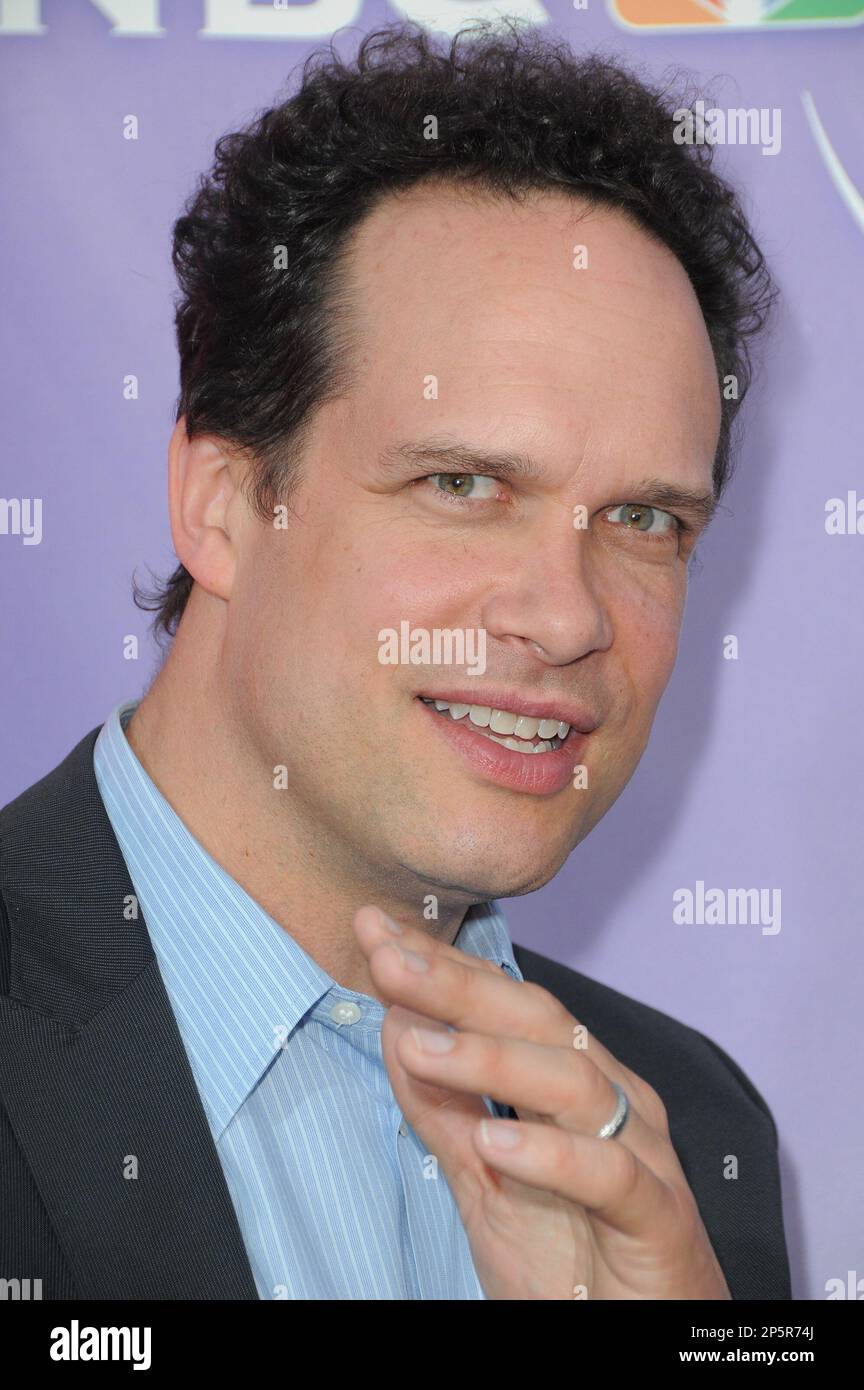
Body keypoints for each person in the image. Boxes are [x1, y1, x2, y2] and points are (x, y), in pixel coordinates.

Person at [0, 18, 790, 1300]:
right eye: (463, 482)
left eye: (646, 519)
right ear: (220, 502)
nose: (569, 613)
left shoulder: (689, 1138)